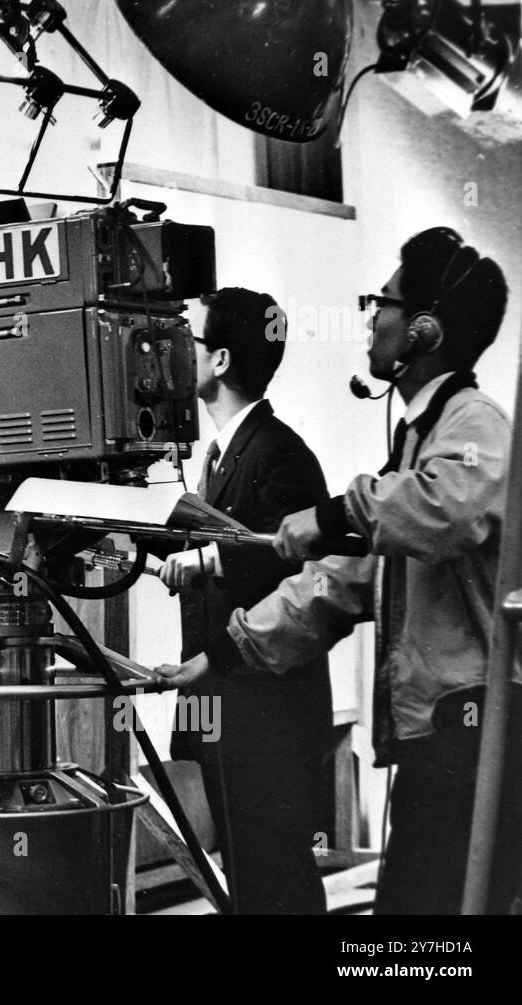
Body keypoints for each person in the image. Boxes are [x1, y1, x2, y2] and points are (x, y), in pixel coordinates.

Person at [157, 228, 521, 914]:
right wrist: (225, 652)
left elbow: (446, 507)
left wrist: (333, 514)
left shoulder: (474, 424)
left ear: (423, 330)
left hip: (468, 732)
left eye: (381, 303)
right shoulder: (418, 438)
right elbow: (338, 582)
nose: (370, 318)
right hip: (431, 737)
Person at [150, 287, 332, 914]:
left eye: (187, 339)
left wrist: (205, 559)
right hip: (227, 705)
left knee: (275, 878)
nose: (171, 352)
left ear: (221, 359)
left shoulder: (278, 451)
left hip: (265, 718)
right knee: (249, 878)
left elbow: (291, 557)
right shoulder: (226, 454)